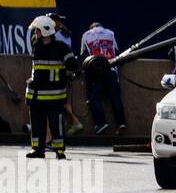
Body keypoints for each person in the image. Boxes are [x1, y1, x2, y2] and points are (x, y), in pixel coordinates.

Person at [25, 15, 79, 159]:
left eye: (37, 31)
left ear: (44, 31)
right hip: (37, 96)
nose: (35, 33)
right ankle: (38, 149)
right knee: (37, 124)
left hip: (55, 97)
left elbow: (73, 66)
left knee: (56, 124)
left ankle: (59, 150)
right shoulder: (36, 46)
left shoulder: (62, 48)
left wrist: (69, 73)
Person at [80, 20, 126, 136]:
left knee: (94, 98)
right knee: (115, 98)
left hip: (95, 72)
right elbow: (117, 52)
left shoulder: (86, 35)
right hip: (111, 70)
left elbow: (84, 55)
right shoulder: (110, 33)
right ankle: (120, 123)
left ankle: (101, 123)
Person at [49, 13, 84, 136]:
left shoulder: (55, 37)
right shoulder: (65, 34)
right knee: (64, 99)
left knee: (59, 99)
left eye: (59, 21)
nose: (60, 23)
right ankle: (69, 123)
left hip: (59, 70)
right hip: (66, 69)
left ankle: (75, 121)